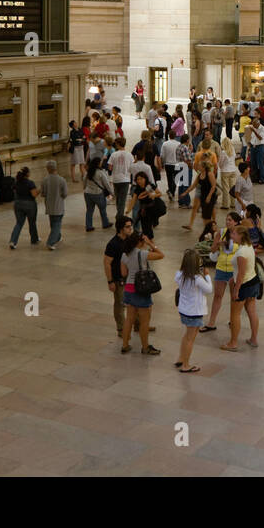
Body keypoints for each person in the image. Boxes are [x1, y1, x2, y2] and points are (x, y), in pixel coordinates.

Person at [119, 226, 163, 356]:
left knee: (129, 319)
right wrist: (151, 243)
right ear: (139, 242)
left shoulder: (124, 254)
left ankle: (125, 345)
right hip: (141, 290)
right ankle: (145, 347)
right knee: (145, 321)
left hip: (128, 288)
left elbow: (123, 272)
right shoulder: (142, 254)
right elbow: (161, 255)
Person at [222, 217, 261, 351]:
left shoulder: (241, 253)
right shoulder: (248, 246)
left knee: (235, 314)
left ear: (240, 235)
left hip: (244, 285)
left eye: (233, 233)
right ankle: (254, 339)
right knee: (252, 311)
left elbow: (241, 274)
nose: (231, 235)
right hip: (253, 281)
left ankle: (233, 343)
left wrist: (236, 290)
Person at [173, 247, 212, 372]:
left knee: (187, 336)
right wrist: (208, 276)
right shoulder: (197, 279)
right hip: (194, 311)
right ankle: (186, 365)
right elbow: (209, 289)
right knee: (190, 338)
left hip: (184, 309)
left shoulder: (179, 274)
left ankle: (181, 358)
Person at [8, 166, 40, 249]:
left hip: (18, 204)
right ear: (27, 174)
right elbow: (34, 194)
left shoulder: (16, 182)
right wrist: (39, 190)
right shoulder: (30, 183)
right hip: (29, 204)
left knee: (19, 223)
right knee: (32, 222)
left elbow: (15, 192)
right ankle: (34, 239)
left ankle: (13, 241)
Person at [40, 160, 68, 250]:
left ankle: (58, 237)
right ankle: (50, 242)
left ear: (48, 169)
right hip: (59, 206)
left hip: (49, 206)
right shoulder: (61, 180)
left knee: (53, 224)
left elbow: (43, 193)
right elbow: (65, 194)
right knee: (57, 225)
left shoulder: (44, 180)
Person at [83, 155, 114, 231]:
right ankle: (105, 223)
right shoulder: (100, 173)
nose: (101, 163)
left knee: (89, 210)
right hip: (98, 193)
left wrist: (85, 188)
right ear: (98, 163)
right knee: (102, 209)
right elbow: (107, 184)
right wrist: (112, 193)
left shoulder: (88, 172)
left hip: (87, 193)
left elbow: (84, 181)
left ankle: (89, 226)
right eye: (100, 162)